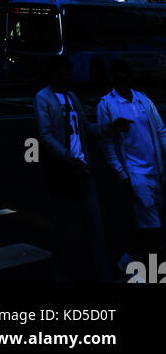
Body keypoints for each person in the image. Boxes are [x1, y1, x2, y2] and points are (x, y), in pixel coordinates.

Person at [34, 58, 114, 282]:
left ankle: (103, 275)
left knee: (95, 227)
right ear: (54, 74)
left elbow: (87, 128)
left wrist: (109, 127)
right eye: (64, 73)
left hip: (83, 169)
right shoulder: (43, 98)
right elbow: (46, 135)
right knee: (63, 228)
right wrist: (70, 159)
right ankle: (61, 274)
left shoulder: (71, 97)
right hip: (63, 171)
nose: (68, 77)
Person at [97, 61, 166, 273]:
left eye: (125, 75)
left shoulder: (143, 100)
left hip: (157, 171)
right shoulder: (107, 105)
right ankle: (140, 267)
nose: (122, 80)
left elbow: (161, 131)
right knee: (152, 228)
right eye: (118, 76)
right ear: (113, 79)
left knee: (150, 226)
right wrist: (122, 175)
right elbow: (107, 144)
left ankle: (128, 263)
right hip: (136, 174)